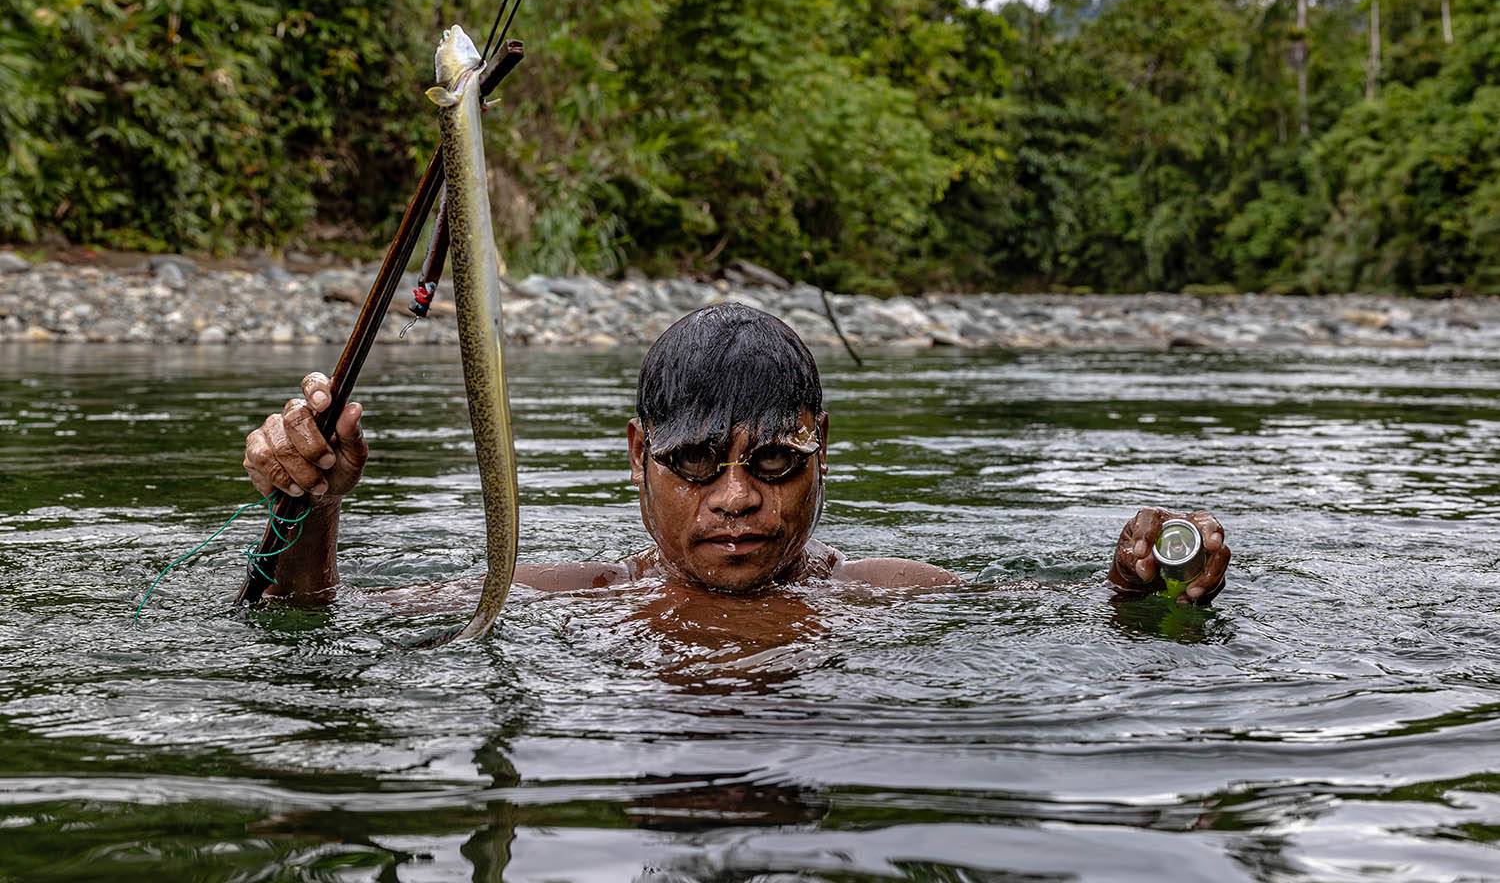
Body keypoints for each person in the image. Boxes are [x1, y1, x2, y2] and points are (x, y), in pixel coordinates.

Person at [242, 302, 1230, 606]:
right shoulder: (562, 595)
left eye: (772, 466)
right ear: (637, 457)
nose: (734, 502)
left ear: (822, 451)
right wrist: (310, 505)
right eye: (696, 464)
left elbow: (1089, 614)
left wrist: (1143, 570)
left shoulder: (890, 591)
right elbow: (309, 630)